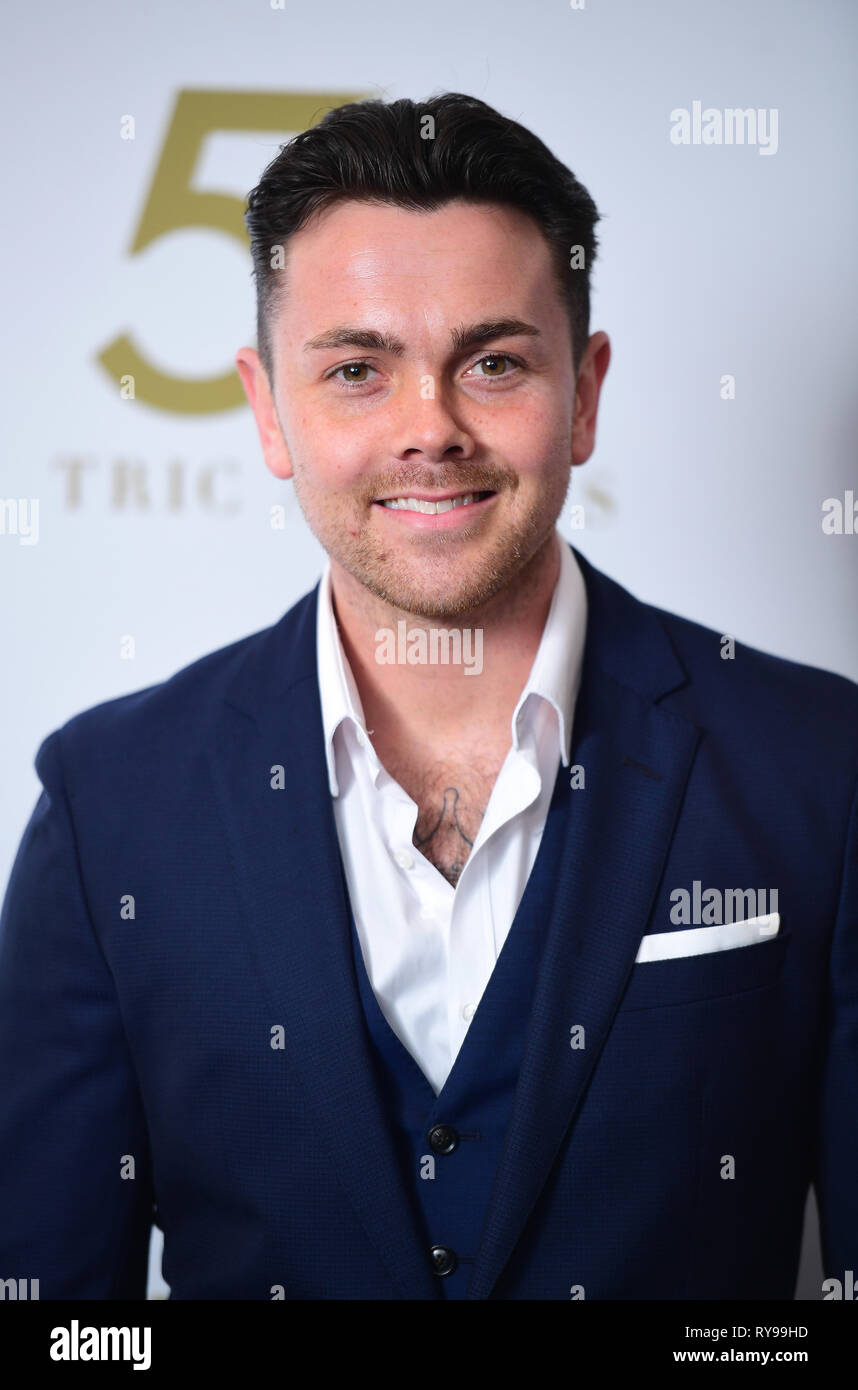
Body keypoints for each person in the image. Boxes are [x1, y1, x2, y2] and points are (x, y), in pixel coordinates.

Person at [1, 92, 855, 1301]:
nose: (430, 430)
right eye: (358, 369)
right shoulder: (109, 806)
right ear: (267, 408)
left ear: (587, 392)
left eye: (493, 362)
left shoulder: (823, 768)